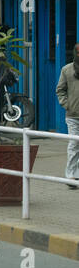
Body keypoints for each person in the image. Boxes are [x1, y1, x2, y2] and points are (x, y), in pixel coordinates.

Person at [56, 44, 79, 188]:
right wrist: (67, 104)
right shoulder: (67, 69)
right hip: (73, 115)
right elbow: (60, 90)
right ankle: (70, 176)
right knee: (74, 145)